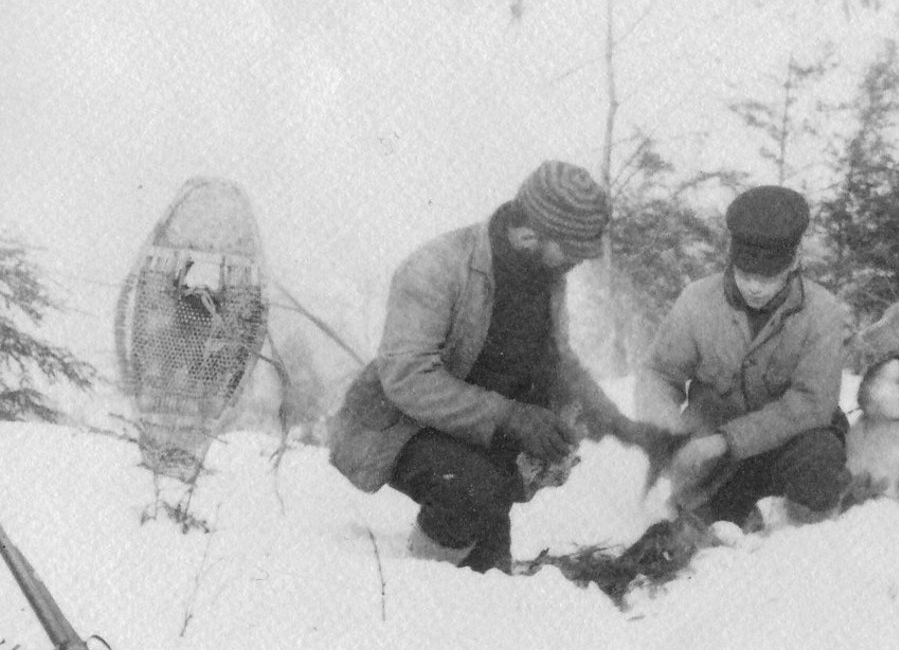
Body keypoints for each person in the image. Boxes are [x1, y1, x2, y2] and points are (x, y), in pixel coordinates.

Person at [329, 161, 678, 573]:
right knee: (470, 491)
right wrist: (511, 416)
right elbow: (406, 378)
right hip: (400, 426)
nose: (577, 265)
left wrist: (621, 427)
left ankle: (456, 568)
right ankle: (415, 589)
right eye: (572, 253)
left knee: (488, 570)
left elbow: (559, 362)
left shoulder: (544, 274)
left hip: (476, 434)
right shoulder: (438, 267)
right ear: (530, 235)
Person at [637, 185, 851, 528]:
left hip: (789, 444)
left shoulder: (822, 311)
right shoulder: (697, 300)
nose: (754, 287)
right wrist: (669, 432)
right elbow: (659, 374)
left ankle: (797, 533)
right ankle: (729, 513)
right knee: (698, 528)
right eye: (745, 274)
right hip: (711, 445)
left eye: (768, 278)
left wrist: (728, 441)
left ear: (794, 262)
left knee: (819, 463)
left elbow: (812, 404)